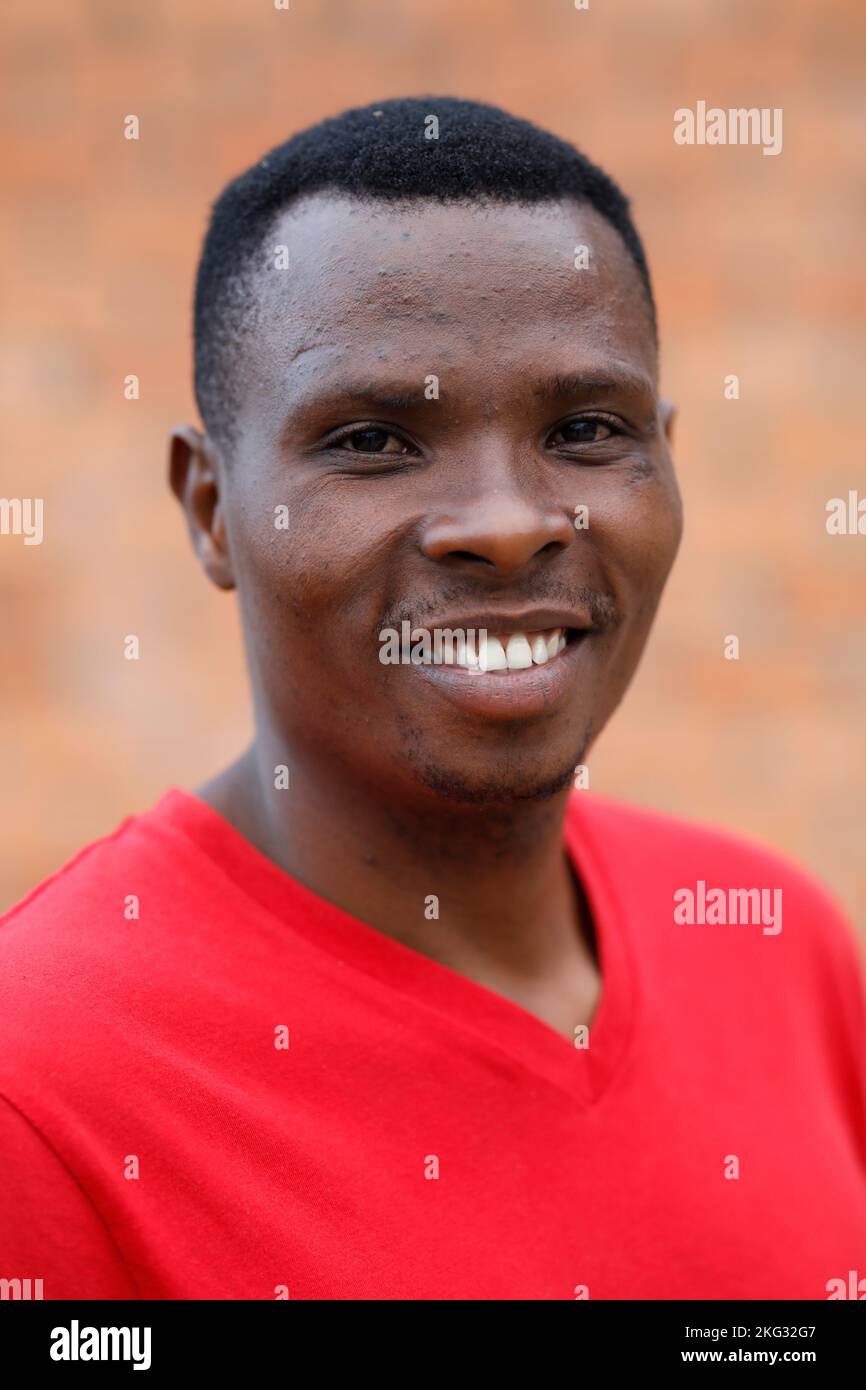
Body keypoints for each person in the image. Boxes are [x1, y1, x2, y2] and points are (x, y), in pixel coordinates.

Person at [1, 97, 863, 1301]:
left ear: (665, 462)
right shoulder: (40, 1093)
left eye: (584, 429)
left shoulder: (775, 943)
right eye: (371, 439)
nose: (507, 526)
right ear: (209, 507)